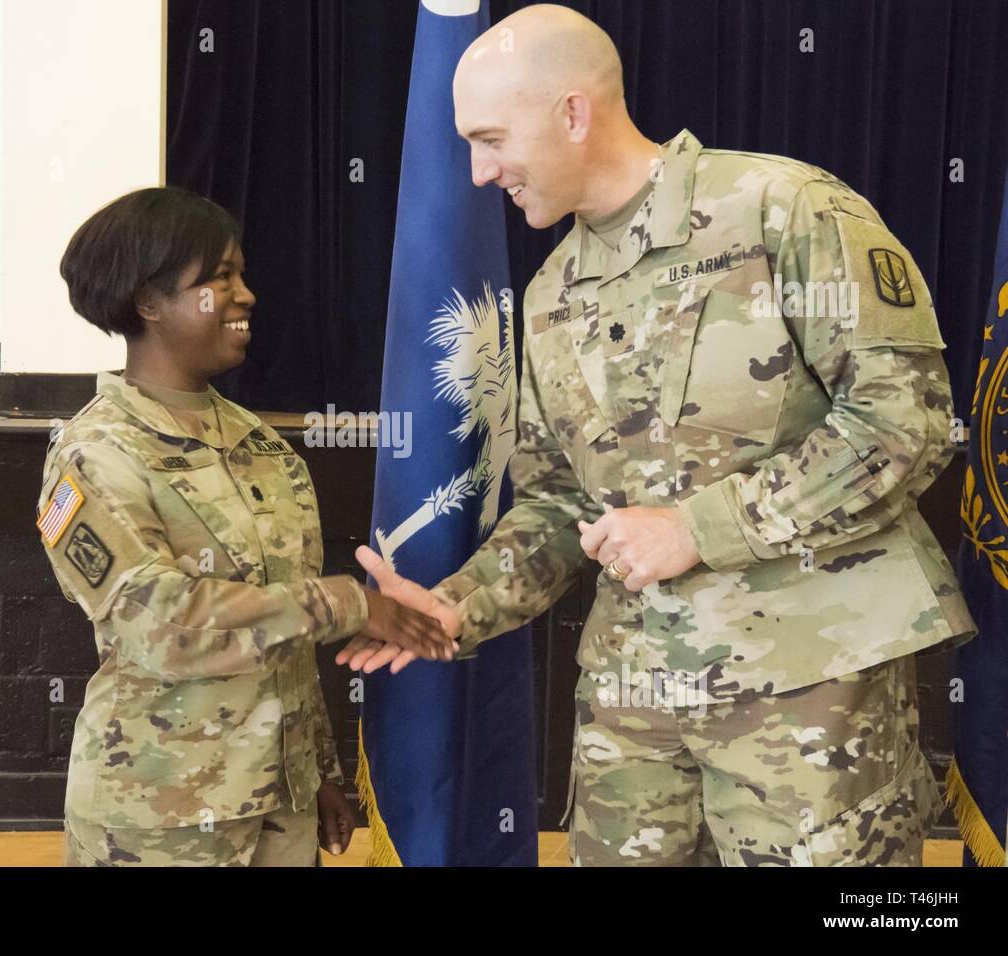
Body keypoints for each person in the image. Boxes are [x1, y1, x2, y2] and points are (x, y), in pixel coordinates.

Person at [340, 4, 976, 866]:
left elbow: (905, 425)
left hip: (811, 702)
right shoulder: (554, 292)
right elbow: (564, 498)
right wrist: (458, 604)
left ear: (572, 112)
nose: (481, 172)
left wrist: (695, 529)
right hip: (632, 712)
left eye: (491, 139)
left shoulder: (781, 210)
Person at [39, 186, 454, 866]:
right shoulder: (95, 453)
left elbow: (285, 640)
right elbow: (160, 625)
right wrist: (351, 603)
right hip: (159, 820)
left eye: (242, 272)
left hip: (277, 812)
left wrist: (315, 767)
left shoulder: (262, 445)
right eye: (219, 277)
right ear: (149, 301)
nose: (246, 294)